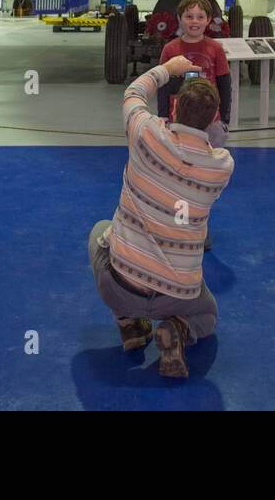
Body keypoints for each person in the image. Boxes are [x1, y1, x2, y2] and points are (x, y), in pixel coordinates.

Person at [89, 54, 234, 378]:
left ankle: (129, 324)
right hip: (177, 295)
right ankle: (178, 329)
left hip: (120, 286)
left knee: (101, 230)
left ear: (173, 109)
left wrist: (167, 70)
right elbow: (210, 150)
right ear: (212, 121)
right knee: (207, 315)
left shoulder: (145, 134)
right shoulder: (221, 166)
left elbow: (133, 94)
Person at [156, 0, 232, 150]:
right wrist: (163, 117)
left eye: (200, 17)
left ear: (208, 19)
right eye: (189, 16)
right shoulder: (170, 49)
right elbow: (163, 86)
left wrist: (224, 118)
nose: (195, 21)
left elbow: (224, 84)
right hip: (176, 120)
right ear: (179, 18)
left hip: (212, 119)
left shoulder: (216, 49)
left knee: (210, 162)